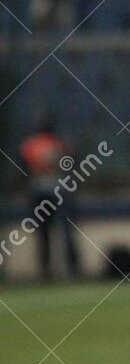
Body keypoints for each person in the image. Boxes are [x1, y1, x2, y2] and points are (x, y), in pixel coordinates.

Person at [18, 117, 80, 281]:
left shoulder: (30, 145)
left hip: (38, 190)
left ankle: (46, 270)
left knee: (43, 233)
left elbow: (22, 170)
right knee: (64, 230)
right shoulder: (58, 144)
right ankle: (71, 268)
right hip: (57, 189)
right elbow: (71, 161)